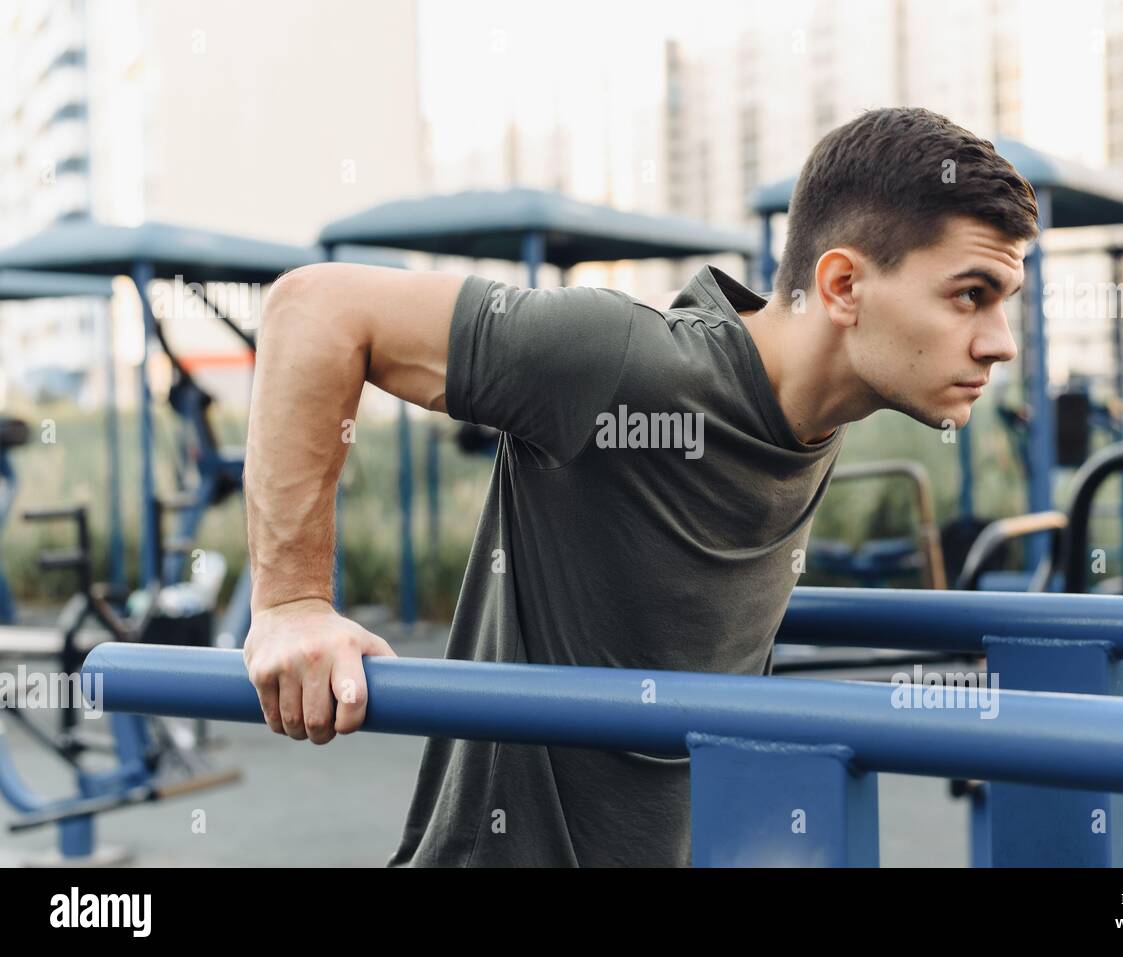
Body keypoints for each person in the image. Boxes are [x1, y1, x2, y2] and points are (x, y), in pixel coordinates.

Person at [241, 106, 1038, 866]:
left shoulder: (816, 411)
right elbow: (315, 309)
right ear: (841, 287)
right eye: (971, 295)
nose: (1000, 343)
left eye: (1007, 303)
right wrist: (291, 604)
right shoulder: (626, 361)